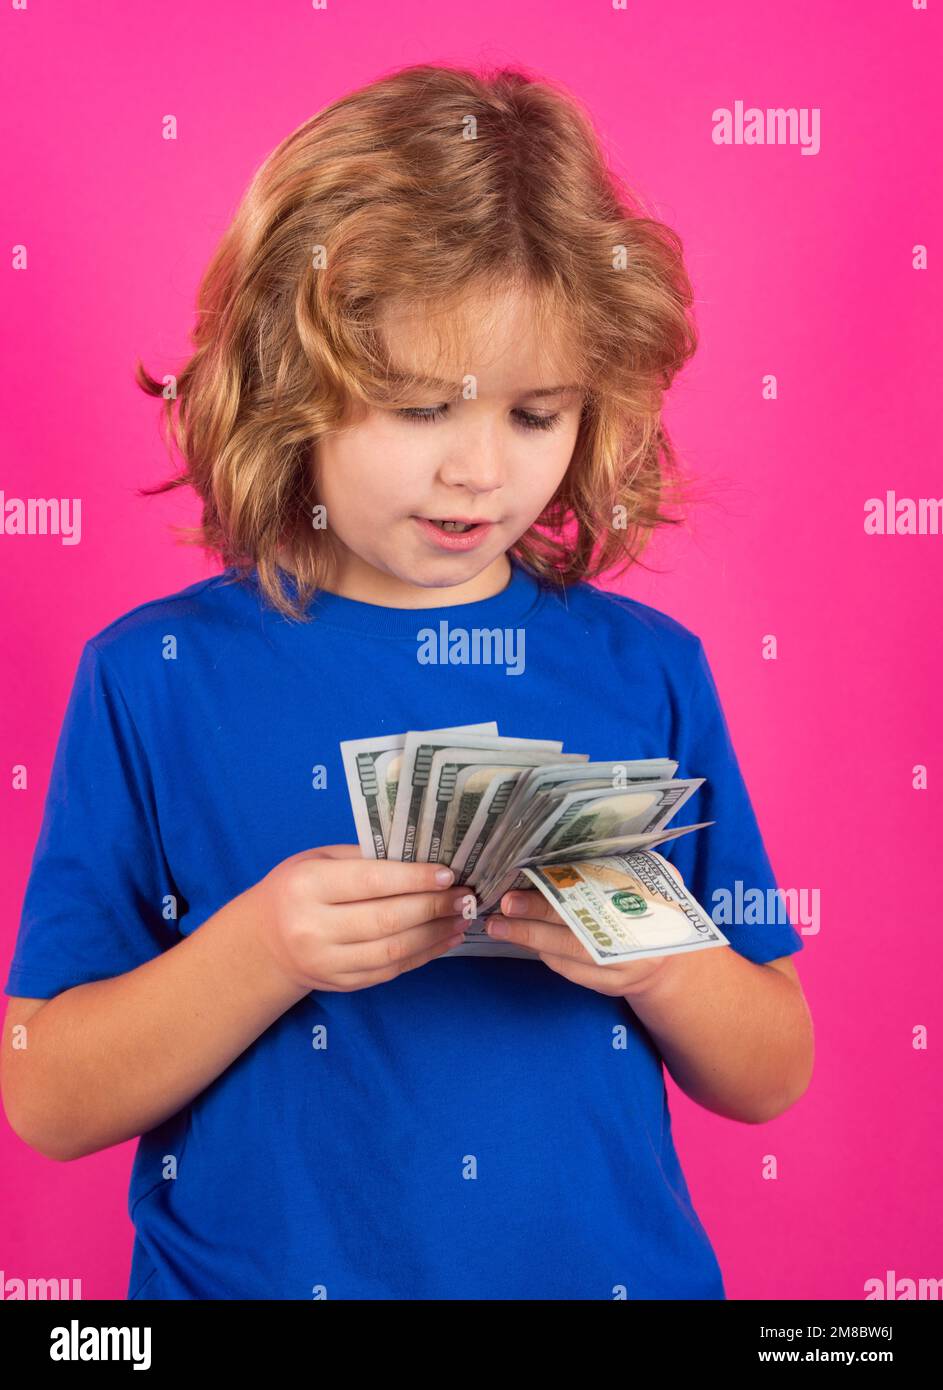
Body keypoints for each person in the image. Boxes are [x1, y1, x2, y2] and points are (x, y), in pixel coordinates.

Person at [0, 63, 813, 1300]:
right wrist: (260, 949)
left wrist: (659, 960)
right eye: (422, 407)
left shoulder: (647, 669)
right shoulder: (153, 677)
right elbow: (45, 1097)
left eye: (536, 416)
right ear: (294, 379)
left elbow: (772, 1068)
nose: (480, 471)